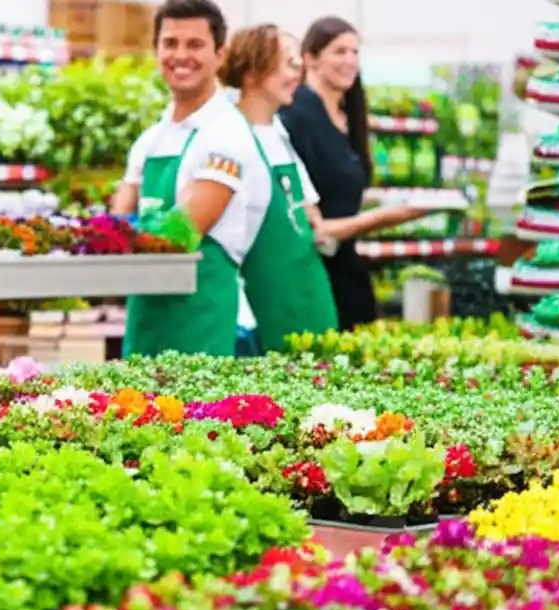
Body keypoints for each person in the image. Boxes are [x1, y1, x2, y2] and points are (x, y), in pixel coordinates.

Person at [111, 0, 263, 358]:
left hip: (202, 315)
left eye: (195, 45)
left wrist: (112, 236)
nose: (181, 55)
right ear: (156, 50)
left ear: (220, 54)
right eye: (170, 43)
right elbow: (117, 218)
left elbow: (183, 232)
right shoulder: (150, 139)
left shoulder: (226, 132)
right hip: (147, 316)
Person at [280, 16, 429, 331]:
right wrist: (386, 217)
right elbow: (309, 226)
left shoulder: (348, 118)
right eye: (339, 51)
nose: (349, 61)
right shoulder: (297, 115)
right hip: (311, 274)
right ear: (310, 58)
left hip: (347, 271)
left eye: (355, 52)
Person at [221, 24, 339, 353]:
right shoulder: (227, 138)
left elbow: (310, 216)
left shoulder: (279, 133)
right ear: (253, 69)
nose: (297, 75)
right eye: (288, 64)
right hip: (263, 301)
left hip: (306, 293)